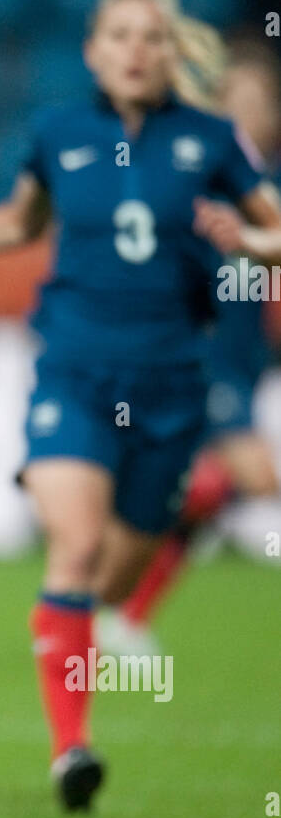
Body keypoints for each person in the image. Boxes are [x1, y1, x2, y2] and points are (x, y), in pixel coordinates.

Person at [0, 0, 281, 810]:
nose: (135, 50)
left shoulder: (211, 141)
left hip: (172, 386)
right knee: (78, 551)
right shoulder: (58, 131)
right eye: (119, 35)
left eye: (152, 37)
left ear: (172, 53)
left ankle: (62, 628)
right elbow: (21, 223)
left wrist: (253, 242)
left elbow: (274, 230)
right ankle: (71, 754)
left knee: (116, 576)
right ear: (92, 50)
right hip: (75, 374)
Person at [100, 39, 281, 653]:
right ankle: (116, 605)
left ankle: (117, 609)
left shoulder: (265, 194)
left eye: (260, 102)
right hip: (193, 363)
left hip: (241, 365)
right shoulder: (194, 180)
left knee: (201, 489)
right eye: (237, 100)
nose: (248, 114)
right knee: (240, 478)